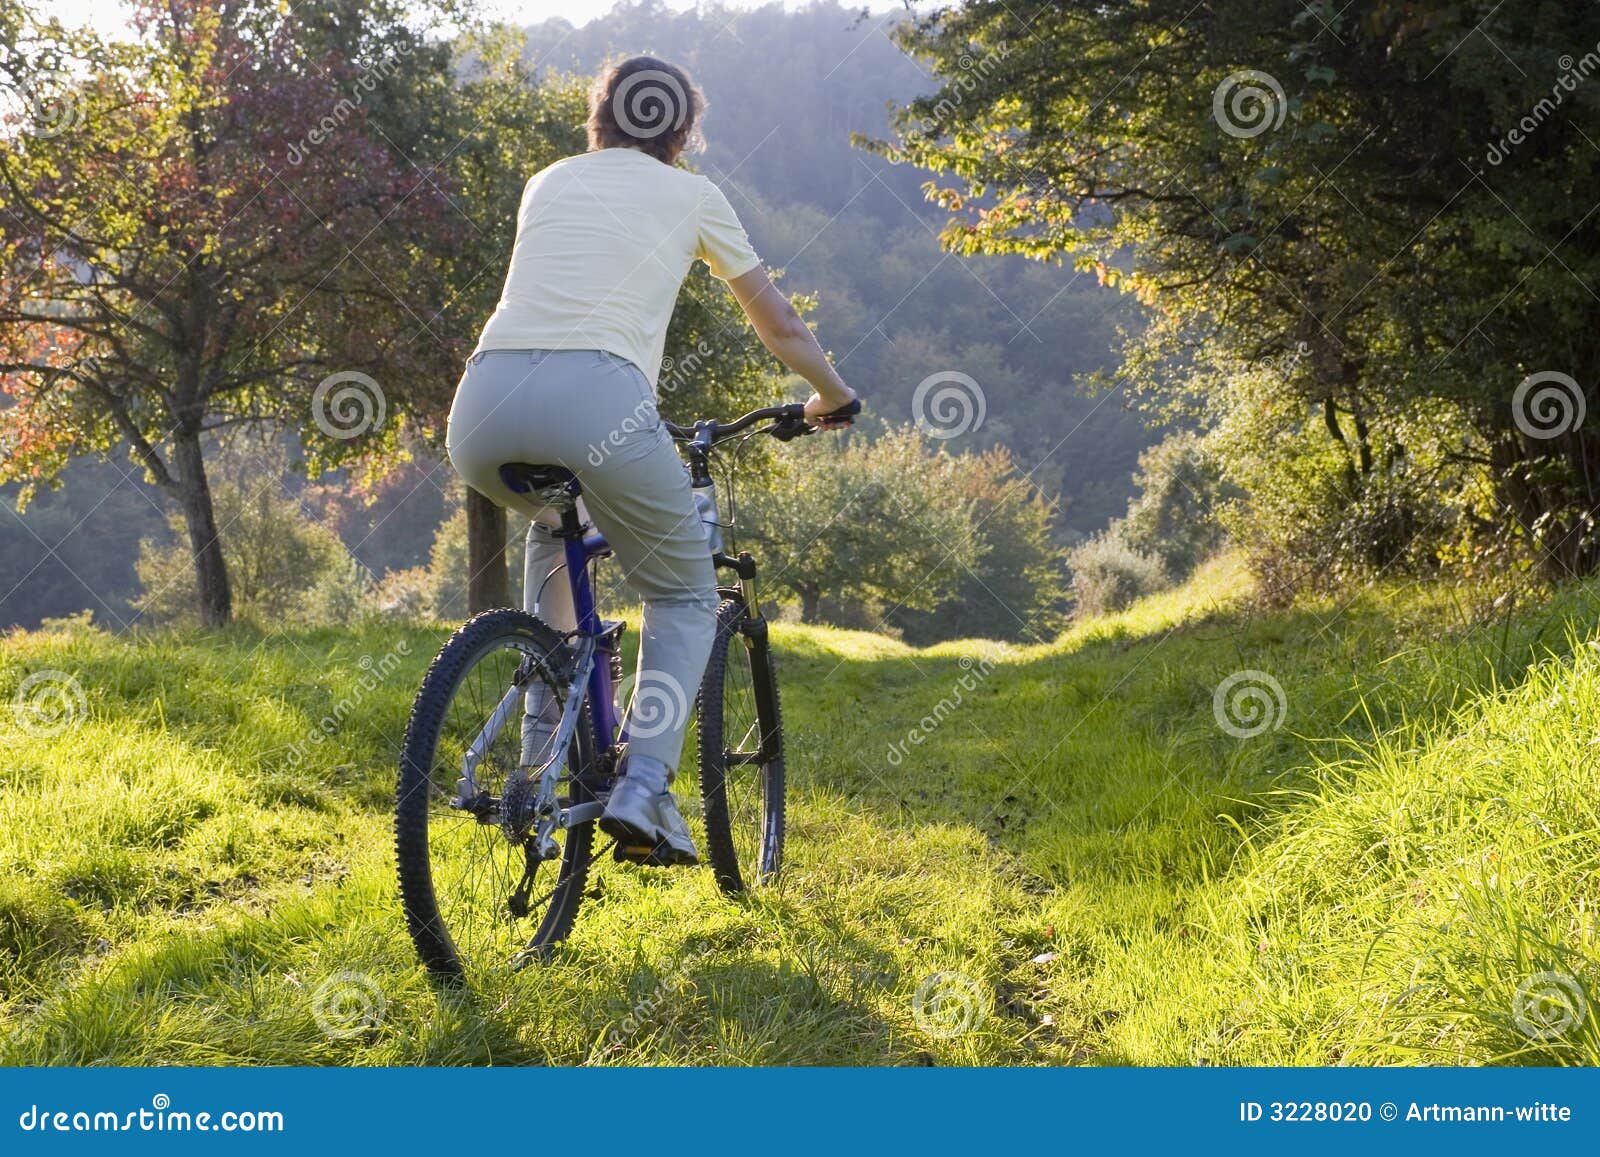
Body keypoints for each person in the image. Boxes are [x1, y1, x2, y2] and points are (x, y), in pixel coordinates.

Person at [446, 55, 858, 866]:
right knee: (682, 591)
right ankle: (644, 789)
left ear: (598, 117)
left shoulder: (548, 180)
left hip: (483, 403)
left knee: (552, 530)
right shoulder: (694, 195)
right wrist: (832, 395)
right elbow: (776, 323)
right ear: (681, 132)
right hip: (598, 398)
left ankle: (542, 752)